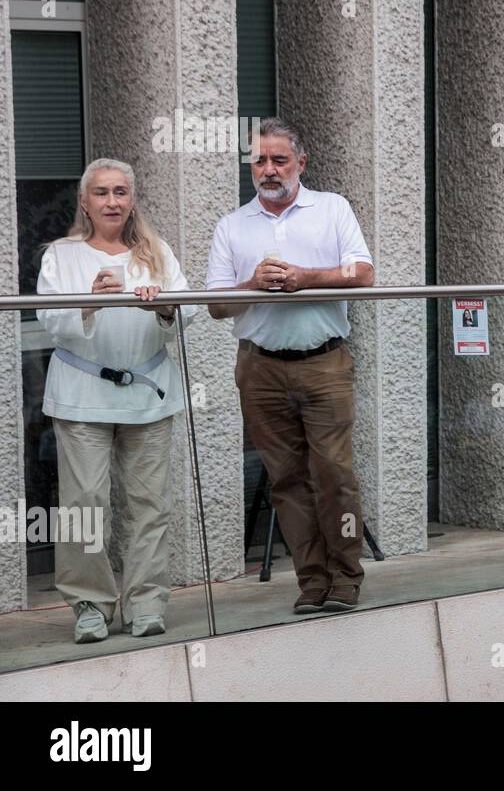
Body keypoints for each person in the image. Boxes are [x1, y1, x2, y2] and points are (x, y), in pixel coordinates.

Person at [206, 118, 376, 616]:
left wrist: (306, 278)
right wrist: (252, 286)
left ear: (301, 163)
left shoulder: (332, 208)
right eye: (259, 160)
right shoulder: (232, 226)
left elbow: (363, 274)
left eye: (280, 159)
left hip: (323, 364)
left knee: (335, 475)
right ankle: (311, 580)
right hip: (259, 370)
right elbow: (216, 306)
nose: (269, 169)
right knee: (286, 479)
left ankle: (347, 577)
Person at [37, 158, 196, 643]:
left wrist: (164, 303)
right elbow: (48, 319)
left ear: (132, 200)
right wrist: (88, 302)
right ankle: (90, 605)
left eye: (120, 192)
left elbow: (184, 313)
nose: (112, 201)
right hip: (82, 396)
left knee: (149, 503)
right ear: (85, 201)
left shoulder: (157, 252)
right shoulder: (62, 255)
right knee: (86, 504)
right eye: (102, 193)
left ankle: (146, 601)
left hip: (147, 394)